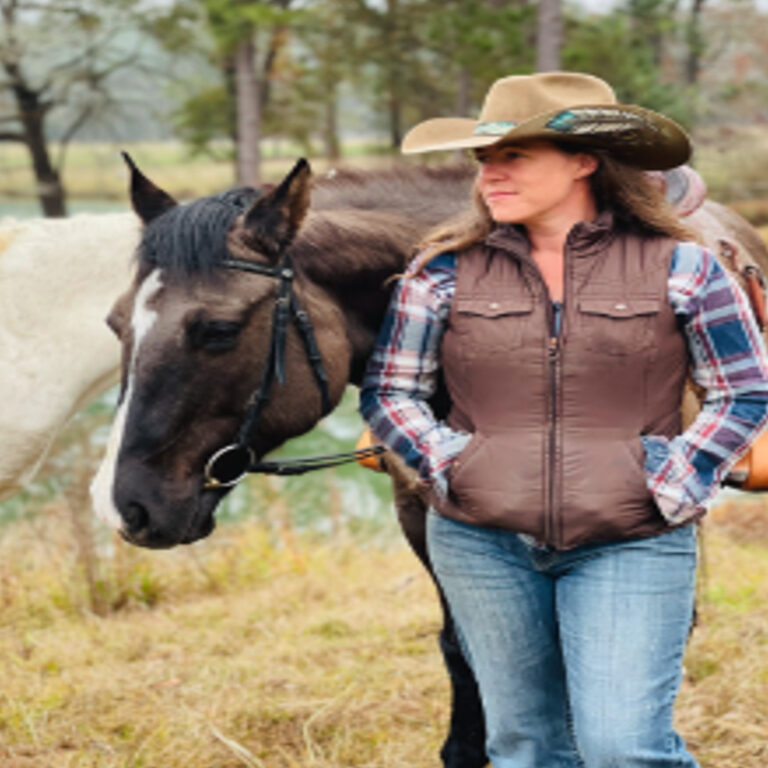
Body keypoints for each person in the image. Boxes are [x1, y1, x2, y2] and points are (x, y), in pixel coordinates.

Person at [359, 71, 768, 768]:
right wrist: (450, 465)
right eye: (485, 158)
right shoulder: (441, 273)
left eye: (515, 154)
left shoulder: (687, 269)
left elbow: (746, 394)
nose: (492, 172)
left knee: (624, 748)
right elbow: (391, 392)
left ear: (584, 161)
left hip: (632, 538)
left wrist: (673, 478)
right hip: (481, 546)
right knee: (525, 748)